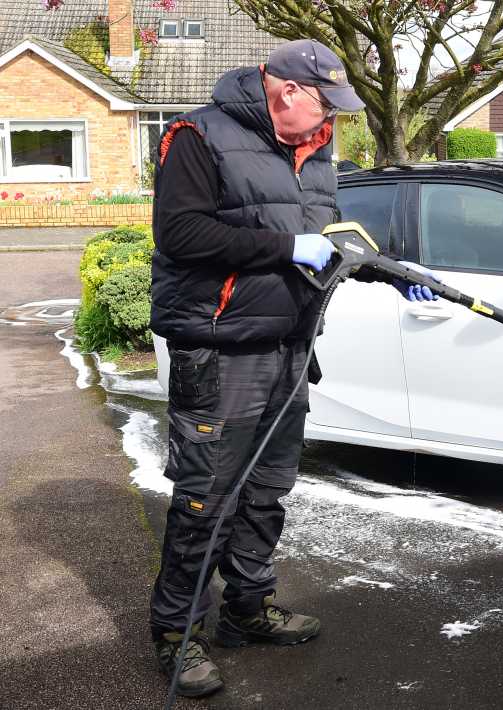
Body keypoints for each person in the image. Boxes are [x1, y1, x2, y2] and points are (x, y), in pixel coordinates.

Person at [147, 39, 436, 697]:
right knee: (206, 497)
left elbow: (327, 238)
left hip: (289, 346)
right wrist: (287, 246)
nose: (334, 119)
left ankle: (247, 609)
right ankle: (176, 634)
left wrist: (391, 271)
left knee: (266, 489)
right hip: (219, 348)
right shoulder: (198, 136)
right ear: (287, 91)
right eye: (325, 104)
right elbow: (181, 235)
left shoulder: (318, 148)